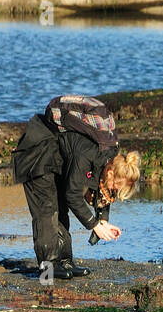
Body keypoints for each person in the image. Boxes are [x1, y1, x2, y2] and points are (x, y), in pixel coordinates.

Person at [11, 95, 139, 280]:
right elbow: (73, 195)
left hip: (56, 160)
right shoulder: (88, 154)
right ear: (111, 173)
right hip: (36, 155)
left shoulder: (108, 154)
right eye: (116, 187)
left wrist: (103, 219)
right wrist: (94, 225)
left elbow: (103, 189)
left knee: (61, 210)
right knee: (47, 211)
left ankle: (65, 262)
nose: (115, 192)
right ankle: (48, 268)